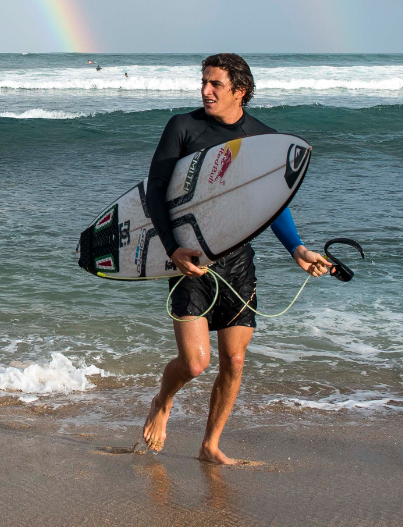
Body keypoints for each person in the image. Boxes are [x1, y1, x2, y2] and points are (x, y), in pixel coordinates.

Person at [141, 53, 330, 465]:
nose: (205, 90)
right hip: (191, 258)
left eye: (215, 84)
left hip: (238, 261)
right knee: (194, 363)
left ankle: (209, 445)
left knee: (235, 360)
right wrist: (173, 247)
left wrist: (296, 248)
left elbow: (272, 204)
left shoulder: (263, 139)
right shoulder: (183, 127)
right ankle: (162, 400)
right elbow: (156, 191)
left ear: (239, 91)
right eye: (203, 82)